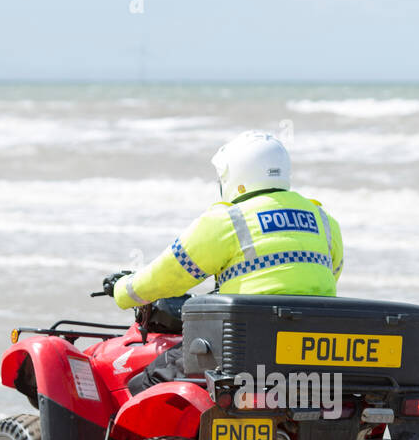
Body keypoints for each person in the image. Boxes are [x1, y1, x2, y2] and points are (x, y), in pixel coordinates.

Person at [103, 130, 343, 393]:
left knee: (143, 383)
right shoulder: (323, 220)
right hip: (314, 357)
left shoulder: (230, 220)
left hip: (242, 351)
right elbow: (332, 273)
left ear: (236, 177)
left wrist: (122, 290)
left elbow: (168, 274)